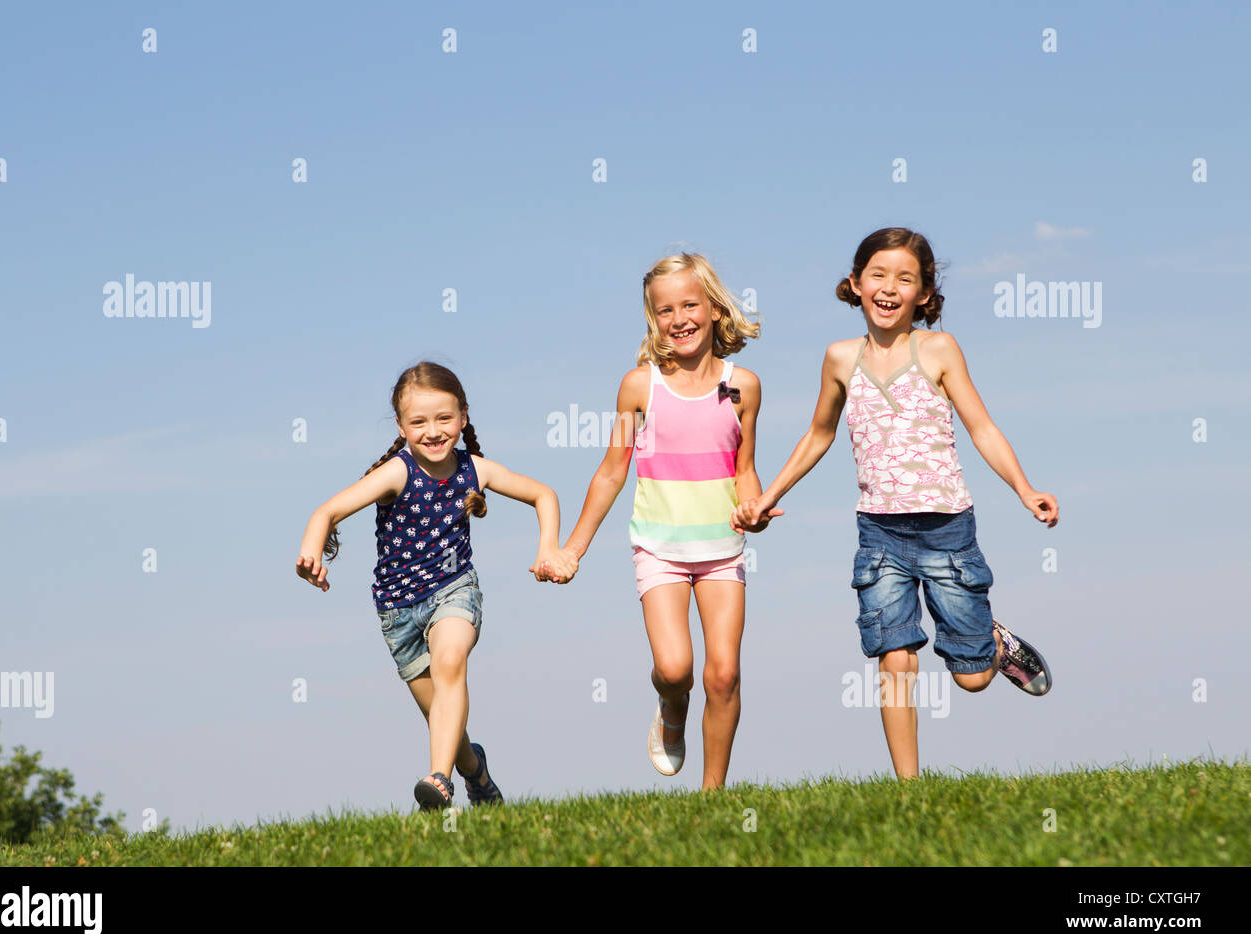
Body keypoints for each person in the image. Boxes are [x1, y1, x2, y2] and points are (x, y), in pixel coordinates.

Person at [733, 228, 1057, 779]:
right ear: (856, 284)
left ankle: (991, 642)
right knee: (894, 656)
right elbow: (817, 435)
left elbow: (981, 427)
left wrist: (1025, 489)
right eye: (878, 276)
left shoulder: (938, 349)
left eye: (905, 279)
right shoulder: (839, 358)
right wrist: (766, 497)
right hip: (880, 533)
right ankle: (909, 788)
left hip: (948, 529)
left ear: (924, 294)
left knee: (971, 678)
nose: (889, 288)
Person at [296, 361, 575, 810]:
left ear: (463, 417)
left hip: (454, 591)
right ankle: (473, 770)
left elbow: (544, 494)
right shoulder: (396, 473)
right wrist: (311, 553)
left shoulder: (474, 469)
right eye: (419, 421)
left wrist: (548, 549)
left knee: (450, 666)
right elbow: (325, 512)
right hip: (397, 613)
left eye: (444, 418)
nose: (433, 431)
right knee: (445, 716)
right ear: (402, 426)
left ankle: (439, 781)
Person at [549, 253, 765, 790]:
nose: (679, 318)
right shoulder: (638, 387)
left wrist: (754, 507)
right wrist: (572, 548)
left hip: (723, 548)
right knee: (675, 669)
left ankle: (713, 794)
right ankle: (671, 709)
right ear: (654, 320)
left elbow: (745, 470)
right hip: (659, 548)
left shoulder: (744, 387)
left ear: (715, 309)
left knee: (724, 674)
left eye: (690, 304)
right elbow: (610, 472)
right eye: (665, 310)